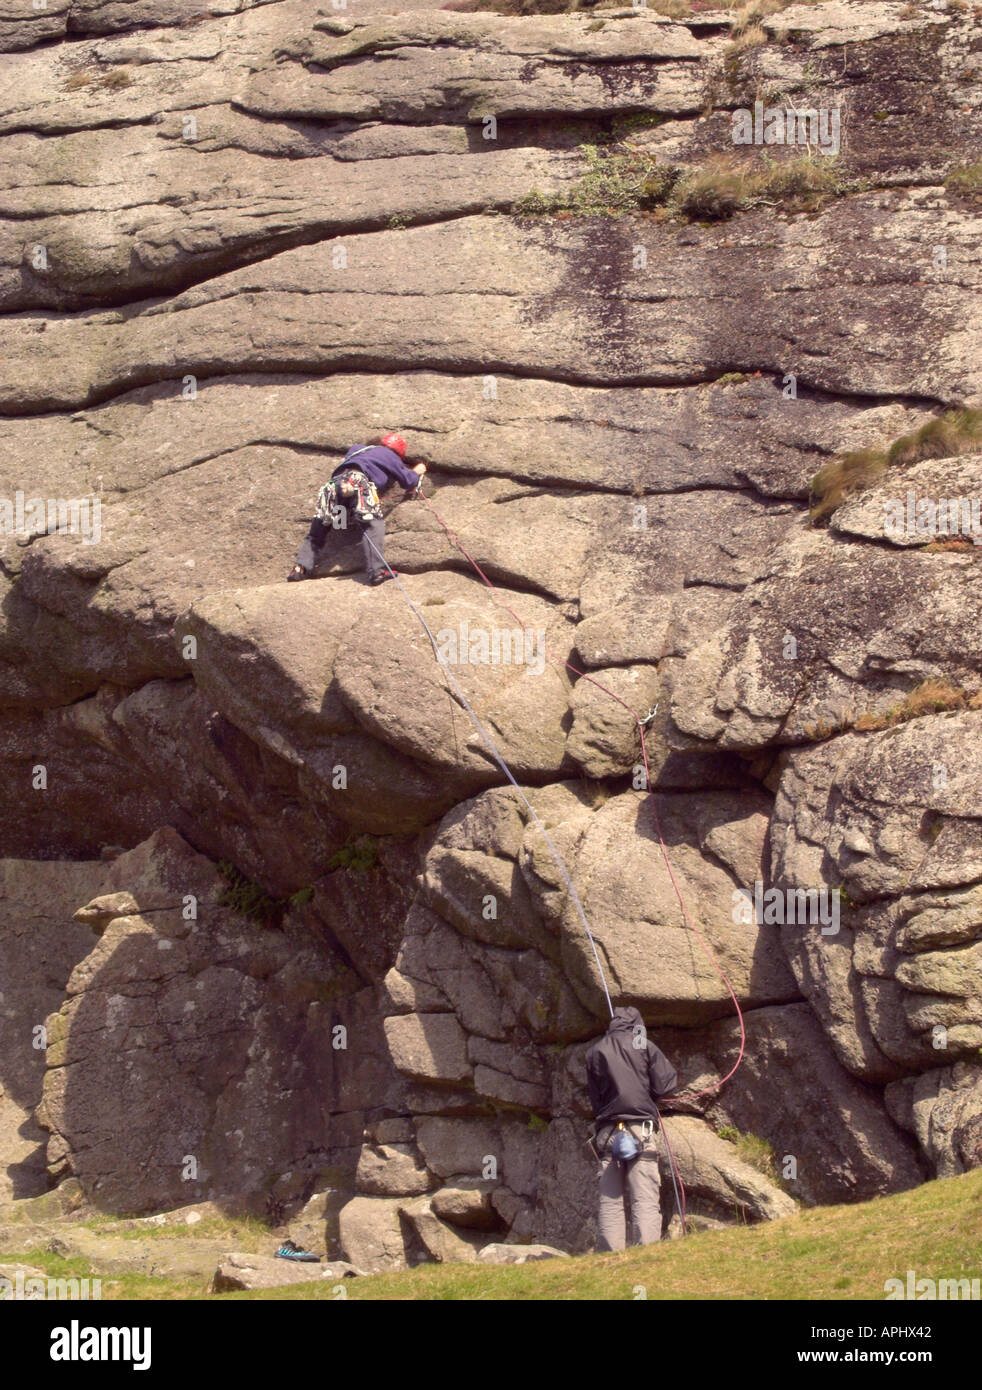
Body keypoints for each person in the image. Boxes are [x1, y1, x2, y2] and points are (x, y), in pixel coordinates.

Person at [585, 1005, 677, 1251]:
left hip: (607, 1132)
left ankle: (610, 1257)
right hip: (640, 1129)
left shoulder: (595, 1051)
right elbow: (666, 1085)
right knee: (644, 1196)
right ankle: (646, 1255)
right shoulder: (643, 1044)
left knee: (610, 1199)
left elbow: (595, 1099)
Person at [288, 433, 426, 587]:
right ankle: (377, 571)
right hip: (358, 484)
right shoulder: (390, 455)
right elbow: (408, 481)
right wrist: (417, 470)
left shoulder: (357, 449)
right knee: (373, 524)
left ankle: (300, 568)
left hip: (333, 487)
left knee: (320, 529)